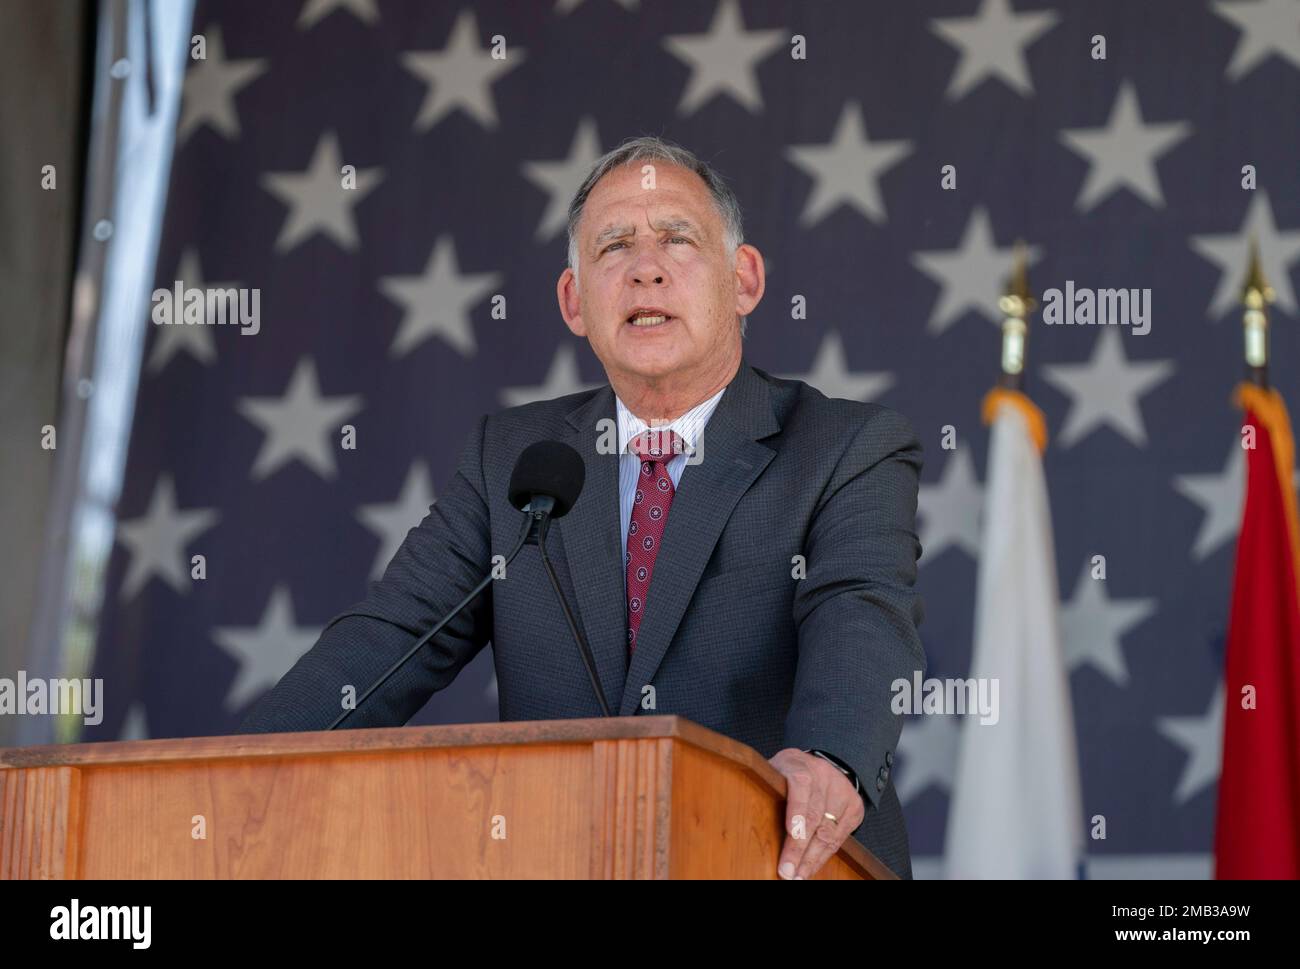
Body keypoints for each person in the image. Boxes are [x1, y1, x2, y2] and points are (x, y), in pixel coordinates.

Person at [240, 135, 925, 880]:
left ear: (745, 279)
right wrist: (230, 775)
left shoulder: (846, 448)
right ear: (574, 301)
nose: (647, 268)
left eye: (678, 239)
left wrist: (827, 757)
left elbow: (862, 619)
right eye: (615, 246)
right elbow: (390, 636)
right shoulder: (513, 457)